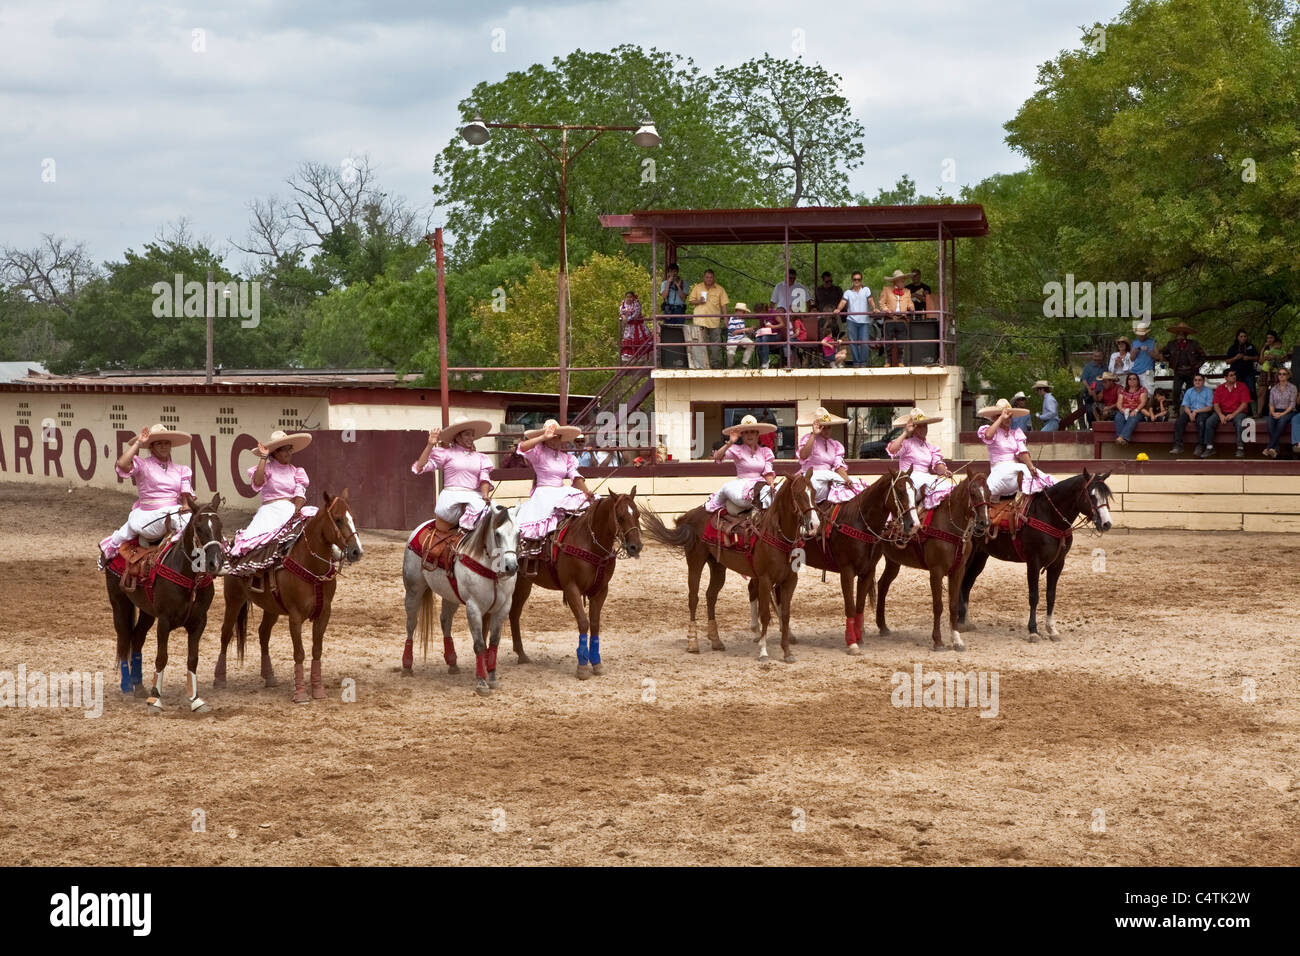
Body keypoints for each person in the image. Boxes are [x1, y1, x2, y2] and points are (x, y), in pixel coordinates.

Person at [100, 423, 196, 561]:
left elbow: (185, 493)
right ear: (151, 446)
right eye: (159, 444)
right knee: (185, 520)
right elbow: (122, 464)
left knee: (201, 520)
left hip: (174, 512)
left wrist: (186, 505)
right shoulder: (143, 465)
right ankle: (176, 544)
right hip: (148, 516)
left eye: (166, 443)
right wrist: (138, 443)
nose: (163, 447)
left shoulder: (181, 469)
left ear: (171, 446)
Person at [229, 430, 315, 560]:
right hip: (270, 510)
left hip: (291, 509)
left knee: (315, 520)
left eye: (290, 449)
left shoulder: (296, 471)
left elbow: (300, 493)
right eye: (284, 450)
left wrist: (296, 509)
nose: (288, 453)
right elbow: (258, 482)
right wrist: (263, 457)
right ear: (275, 452)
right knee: (257, 542)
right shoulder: (267, 469)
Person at [515, 420, 594, 549]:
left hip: (561, 490)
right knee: (542, 524)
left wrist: (586, 492)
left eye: (558, 437)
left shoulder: (567, 458)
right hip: (544, 493)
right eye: (552, 437)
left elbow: (575, 476)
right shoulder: (538, 453)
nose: (555, 440)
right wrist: (542, 436)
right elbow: (522, 447)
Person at [412, 416, 495, 530]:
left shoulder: (481, 457)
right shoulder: (446, 454)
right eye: (467, 434)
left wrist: (485, 495)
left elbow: (484, 478)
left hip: (474, 497)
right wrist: (430, 445)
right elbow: (420, 467)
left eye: (472, 434)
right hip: (451, 498)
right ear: (457, 437)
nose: (471, 438)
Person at [976, 399, 1055, 500]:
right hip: (999, 471)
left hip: (1014, 470)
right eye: (1006, 416)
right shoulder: (992, 431)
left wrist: (1032, 468)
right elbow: (987, 435)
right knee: (1022, 468)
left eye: (1010, 417)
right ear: (996, 417)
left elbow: (1023, 453)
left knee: (1038, 475)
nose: (1008, 419)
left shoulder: (1015, 434)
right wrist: (1001, 417)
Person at [706, 414, 777, 514]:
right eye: (746, 432)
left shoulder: (765, 451)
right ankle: (713, 505)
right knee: (731, 492)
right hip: (741, 485)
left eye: (752, 432)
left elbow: (768, 473)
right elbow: (718, 457)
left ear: (757, 434)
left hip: (759, 484)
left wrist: (771, 485)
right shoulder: (737, 449)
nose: (749, 435)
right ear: (742, 435)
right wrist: (730, 442)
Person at [885, 409, 954, 511]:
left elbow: (937, 465)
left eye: (925, 426)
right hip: (909, 480)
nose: (923, 429)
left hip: (926, 478)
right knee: (933, 486)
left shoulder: (930, 447)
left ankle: (924, 511)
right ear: (914, 428)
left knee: (948, 487)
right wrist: (906, 432)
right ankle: (919, 510)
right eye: (919, 426)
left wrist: (944, 471)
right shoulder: (907, 443)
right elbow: (892, 449)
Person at [796, 407, 864, 504]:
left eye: (829, 427)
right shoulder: (809, 439)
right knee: (828, 481)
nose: (827, 430)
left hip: (828, 475)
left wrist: (846, 479)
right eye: (823, 427)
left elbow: (838, 466)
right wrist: (814, 435)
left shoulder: (834, 445)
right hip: (811, 475)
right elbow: (803, 455)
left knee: (855, 484)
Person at [1205, 368, 1253, 458]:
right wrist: (1220, 415)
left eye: (1234, 375)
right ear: (1225, 378)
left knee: (1239, 422)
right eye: (1231, 375)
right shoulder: (1220, 388)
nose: (1234, 377)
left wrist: (1233, 414)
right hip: (1223, 412)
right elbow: (1215, 404)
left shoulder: (1242, 386)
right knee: (1209, 421)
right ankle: (1210, 447)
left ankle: (1240, 448)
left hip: (1238, 412)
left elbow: (1244, 404)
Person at [686, 269, 728, 369]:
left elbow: (724, 305)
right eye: (707, 277)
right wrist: (699, 301)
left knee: (715, 345)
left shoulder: (720, 289)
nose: (709, 279)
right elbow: (691, 301)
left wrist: (725, 318)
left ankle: (715, 365)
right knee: (700, 343)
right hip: (700, 321)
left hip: (714, 321)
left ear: (714, 278)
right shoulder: (697, 287)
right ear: (703, 277)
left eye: (711, 277)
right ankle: (701, 365)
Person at [834, 271, 876, 368]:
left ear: (861, 280)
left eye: (859, 279)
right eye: (855, 279)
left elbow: (871, 300)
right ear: (852, 280)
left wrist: (874, 308)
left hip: (864, 321)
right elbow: (843, 302)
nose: (857, 281)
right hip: (852, 320)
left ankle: (863, 363)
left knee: (864, 342)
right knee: (853, 343)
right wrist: (838, 309)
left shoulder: (866, 290)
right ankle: (856, 363)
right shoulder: (848, 292)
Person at [1160, 321, 1206, 410]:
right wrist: (1162, 356)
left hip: (1191, 371)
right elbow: (1162, 351)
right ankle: (1176, 409)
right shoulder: (1171, 344)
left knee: (1190, 392)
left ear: (1186, 334)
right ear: (1176, 334)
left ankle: (1189, 409)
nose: (1180, 335)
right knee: (1176, 391)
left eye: (1183, 333)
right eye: (1179, 333)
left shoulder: (1194, 344)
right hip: (1178, 371)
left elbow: (1203, 356)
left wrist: (1196, 366)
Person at [1171, 372, 1215, 456]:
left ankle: (1200, 445)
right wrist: (1190, 414)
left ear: (1203, 381)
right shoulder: (1189, 391)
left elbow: (1209, 407)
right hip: (1190, 411)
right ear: (1193, 381)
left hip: (1203, 411)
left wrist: (1195, 412)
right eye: (1195, 380)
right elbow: (1185, 406)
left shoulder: (1208, 391)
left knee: (1201, 422)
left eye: (1199, 380)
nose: (1197, 382)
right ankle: (1178, 446)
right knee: (1179, 422)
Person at [879, 270, 914, 367]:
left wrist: (911, 307)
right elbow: (882, 303)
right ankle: (887, 361)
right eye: (901, 281)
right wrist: (886, 309)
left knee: (901, 342)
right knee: (888, 342)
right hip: (889, 319)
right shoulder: (886, 290)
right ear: (895, 281)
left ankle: (901, 361)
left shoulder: (907, 291)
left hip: (901, 319)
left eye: (904, 281)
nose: (903, 282)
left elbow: (910, 302)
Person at [658, 263, 688, 369]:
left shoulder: (683, 283)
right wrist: (668, 283)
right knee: (668, 333)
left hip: (679, 309)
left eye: (675, 272)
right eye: (671, 272)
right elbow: (664, 296)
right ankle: (669, 358)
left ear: (678, 272)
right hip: (669, 310)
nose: (673, 274)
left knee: (680, 333)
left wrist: (678, 286)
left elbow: (683, 297)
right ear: (668, 273)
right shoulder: (664, 283)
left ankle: (680, 358)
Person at [1263, 366, 1297, 458]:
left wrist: (1282, 414)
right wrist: (1273, 413)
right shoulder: (1274, 389)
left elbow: (1292, 404)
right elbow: (1271, 404)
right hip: (1275, 411)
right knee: (1270, 423)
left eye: (1284, 374)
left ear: (1288, 376)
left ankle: (1269, 447)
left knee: (1282, 422)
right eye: (1279, 374)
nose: (1281, 376)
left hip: (1288, 411)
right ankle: (1275, 450)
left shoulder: (1292, 388)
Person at [1224, 328, 1259, 407]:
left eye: (1245, 336)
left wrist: (1248, 358)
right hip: (1236, 374)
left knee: (1251, 391)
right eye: (1241, 336)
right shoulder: (1233, 348)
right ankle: (1238, 409)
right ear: (1237, 337)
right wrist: (1236, 358)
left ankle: (1254, 411)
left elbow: (1257, 358)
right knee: (1237, 391)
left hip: (1249, 372)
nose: (1243, 338)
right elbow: (1227, 361)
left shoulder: (1250, 346)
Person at [1257, 331, 1287, 416]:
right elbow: (1260, 362)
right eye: (1267, 338)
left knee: (1275, 392)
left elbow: (1284, 359)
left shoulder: (1279, 347)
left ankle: (1273, 412)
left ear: (1275, 338)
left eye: (1271, 338)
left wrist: (1275, 357)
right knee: (1261, 392)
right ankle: (1259, 412)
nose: (1269, 340)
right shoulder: (1265, 348)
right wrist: (1263, 350)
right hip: (1264, 371)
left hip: (1275, 372)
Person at [1113, 372, 1148, 446]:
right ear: (1127, 381)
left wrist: (1136, 410)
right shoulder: (1122, 390)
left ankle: (1121, 437)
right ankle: (1123, 439)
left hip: (1137, 411)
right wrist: (1121, 409)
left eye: (1134, 379)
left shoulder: (1142, 389)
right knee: (1118, 417)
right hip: (1125, 410)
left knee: (1132, 417)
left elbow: (1143, 402)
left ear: (1138, 381)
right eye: (1130, 379)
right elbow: (1118, 403)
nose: (1132, 380)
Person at [618, 290, 649, 363]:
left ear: (633, 298)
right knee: (628, 341)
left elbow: (636, 314)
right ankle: (630, 359)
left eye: (631, 297)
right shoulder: (623, 305)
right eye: (627, 297)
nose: (629, 298)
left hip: (638, 326)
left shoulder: (636, 304)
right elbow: (622, 313)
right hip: (629, 327)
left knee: (639, 341)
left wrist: (628, 319)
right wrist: (623, 317)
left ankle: (640, 358)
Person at [1130, 321, 1159, 393]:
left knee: (1149, 392)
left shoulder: (1153, 342)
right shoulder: (1134, 343)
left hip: (1147, 371)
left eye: (1143, 334)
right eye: (1140, 334)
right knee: (1135, 392)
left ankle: (1149, 404)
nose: (1141, 336)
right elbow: (1132, 359)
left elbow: (1157, 357)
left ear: (1147, 333)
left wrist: (1149, 351)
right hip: (1135, 371)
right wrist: (1135, 352)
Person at [725, 303, 756, 369]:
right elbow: (733, 333)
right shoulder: (732, 319)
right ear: (739, 311)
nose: (744, 313)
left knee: (751, 344)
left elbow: (741, 330)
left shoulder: (741, 319)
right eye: (744, 312)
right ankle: (731, 365)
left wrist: (749, 330)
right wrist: (745, 329)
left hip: (742, 338)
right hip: (733, 339)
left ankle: (744, 364)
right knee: (730, 353)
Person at [1080, 349, 1106, 426]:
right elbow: (1084, 379)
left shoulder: (1105, 367)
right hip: (1090, 392)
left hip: (1101, 393)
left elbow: (1107, 380)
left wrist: (1103, 391)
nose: (1097, 358)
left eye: (1099, 356)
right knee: (1090, 411)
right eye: (1095, 356)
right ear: (1092, 356)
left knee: (1101, 412)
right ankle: (1091, 428)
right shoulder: (1087, 367)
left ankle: (1101, 428)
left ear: (1102, 357)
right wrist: (1089, 388)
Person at [814, 271, 843, 338]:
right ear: (823, 280)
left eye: (831, 281)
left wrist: (837, 310)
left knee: (837, 330)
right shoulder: (818, 290)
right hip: (823, 315)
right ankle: (821, 343)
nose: (829, 283)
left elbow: (842, 302)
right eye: (827, 282)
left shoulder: (837, 289)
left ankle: (837, 339)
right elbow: (817, 303)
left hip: (834, 315)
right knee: (819, 328)